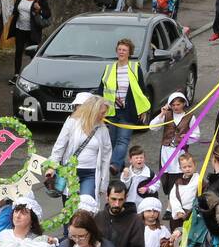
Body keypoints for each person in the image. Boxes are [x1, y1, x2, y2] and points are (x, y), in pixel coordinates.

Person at [45, 94, 111, 199]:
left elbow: (106, 156)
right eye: (102, 113)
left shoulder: (103, 129)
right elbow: (60, 146)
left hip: (91, 173)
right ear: (93, 111)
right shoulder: (72, 123)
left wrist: (104, 181)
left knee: (86, 205)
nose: (104, 116)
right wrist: (52, 166)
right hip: (71, 172)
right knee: (70, 207)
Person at [100, 38, 151, 171]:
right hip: (112, 111)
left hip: (128, 111)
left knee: (123, 140)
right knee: (112, 141)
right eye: (120, 49)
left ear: (129, 53)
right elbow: (102, 89)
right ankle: (120, 166)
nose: (121, 52)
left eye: (125, 50)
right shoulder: (109, 68)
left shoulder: (134, 67)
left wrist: (143, 109)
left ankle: (115, 165)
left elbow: (141, 90)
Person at [9, 0, 51, 75]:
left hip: (33, 30)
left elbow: (48, 13)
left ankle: (32, 75)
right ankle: (16, 74)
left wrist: (39, 9)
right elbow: (16, 7)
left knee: (33, 53)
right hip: (20, 28)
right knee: (18, 52)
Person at [155, 92, 195, 195]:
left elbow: (196, 135)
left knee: (178, 175)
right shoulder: (167, 115)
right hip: (166, 152)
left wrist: (187, 138)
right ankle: (170, 199)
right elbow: (153, 127)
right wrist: (162, 114)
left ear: (183, 104)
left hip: (180, 152)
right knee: (166, 177)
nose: (176, 107)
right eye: (173, 105)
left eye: (178, 104)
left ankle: (177, 197)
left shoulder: (190, 117)